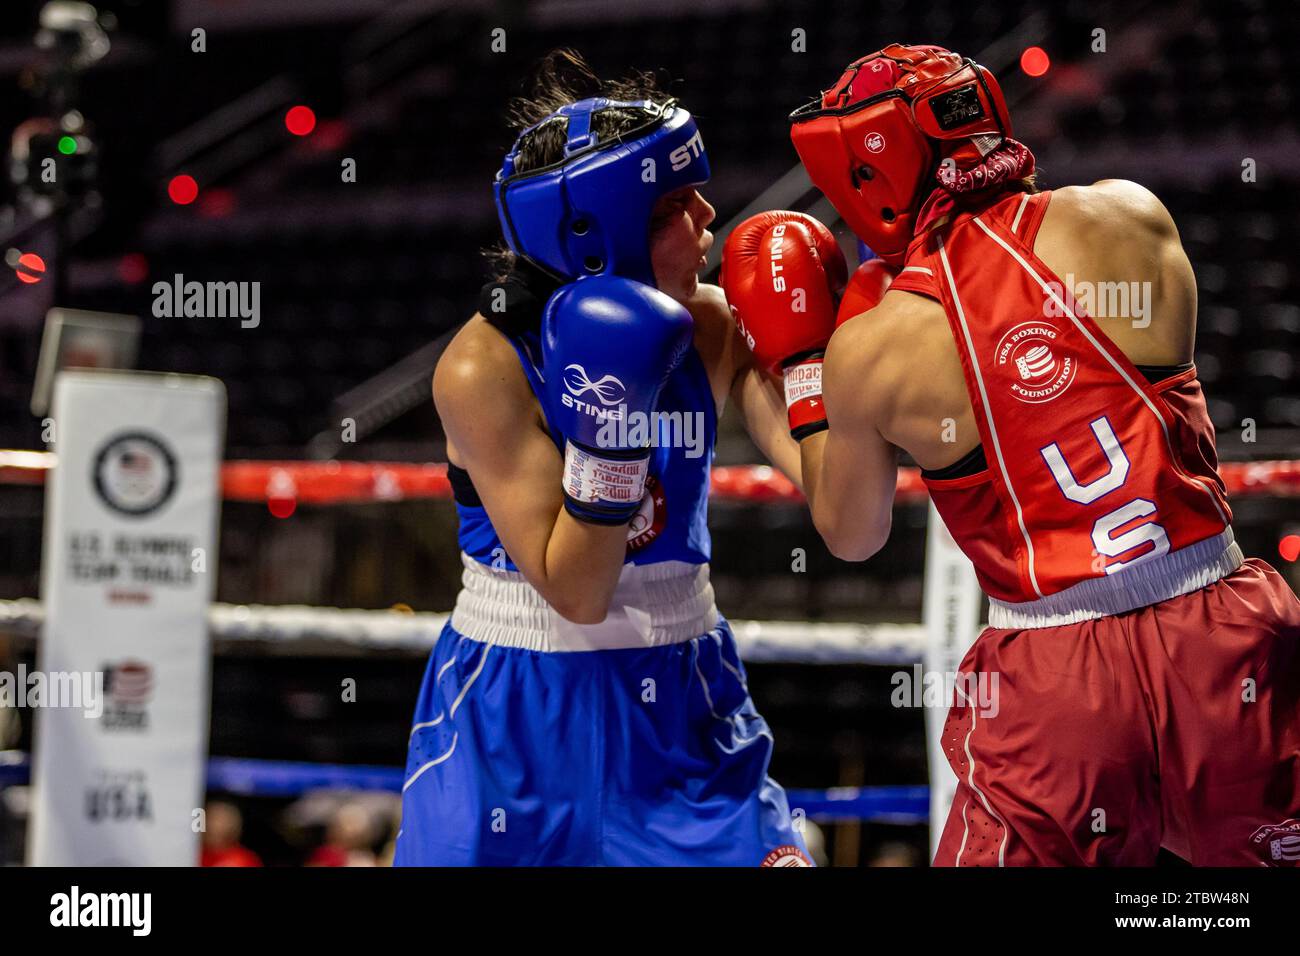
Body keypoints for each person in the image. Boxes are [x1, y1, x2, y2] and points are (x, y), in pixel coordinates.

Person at [721, 43, 1300, 866]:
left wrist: (785, 372)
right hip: (1225, 632)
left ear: (869, 174)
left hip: (1058, 673)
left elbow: (850, 531)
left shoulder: (879, 349)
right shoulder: (1133, 218)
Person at [393, 50, 810, 866]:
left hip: (683, 692)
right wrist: (609, 428)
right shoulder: (483, 367)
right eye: (676, 208)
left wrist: (829, 357)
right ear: (594, 234)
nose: (711, 219)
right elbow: (578, 593)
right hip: (517, 708)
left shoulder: (715, 325)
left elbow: (851, 514)